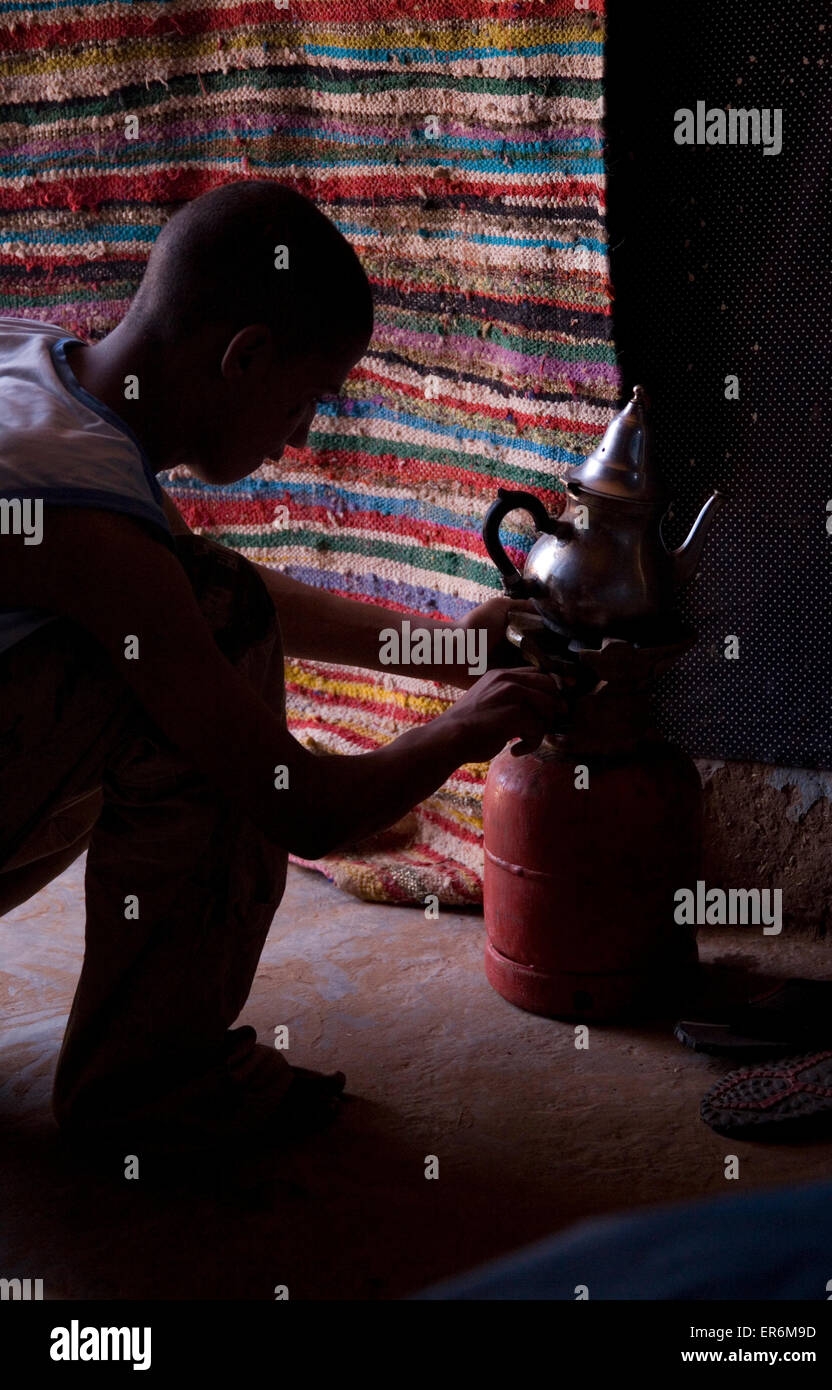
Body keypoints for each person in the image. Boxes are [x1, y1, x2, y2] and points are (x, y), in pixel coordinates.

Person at [0, 179, 563, 1150]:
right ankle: (151, 1087)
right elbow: (296, 805)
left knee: (198, 615)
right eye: (305, 398)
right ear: (246, 355)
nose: (300, 434)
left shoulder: (39, 371)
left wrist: (447, 650)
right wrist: (461, 728)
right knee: (212, 648)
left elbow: (175, 585)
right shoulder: (86, 518)